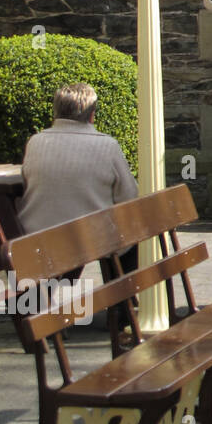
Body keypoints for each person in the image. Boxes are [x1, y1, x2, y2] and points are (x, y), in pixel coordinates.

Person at [18, 83, 140, 297]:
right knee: (130, 240)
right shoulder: (107, 145)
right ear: (92, 115)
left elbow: (27, 182)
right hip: (90, 238)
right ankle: (122, 309)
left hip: (37, 234)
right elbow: (129, 195)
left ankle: (37, 305)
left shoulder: (35, 142)